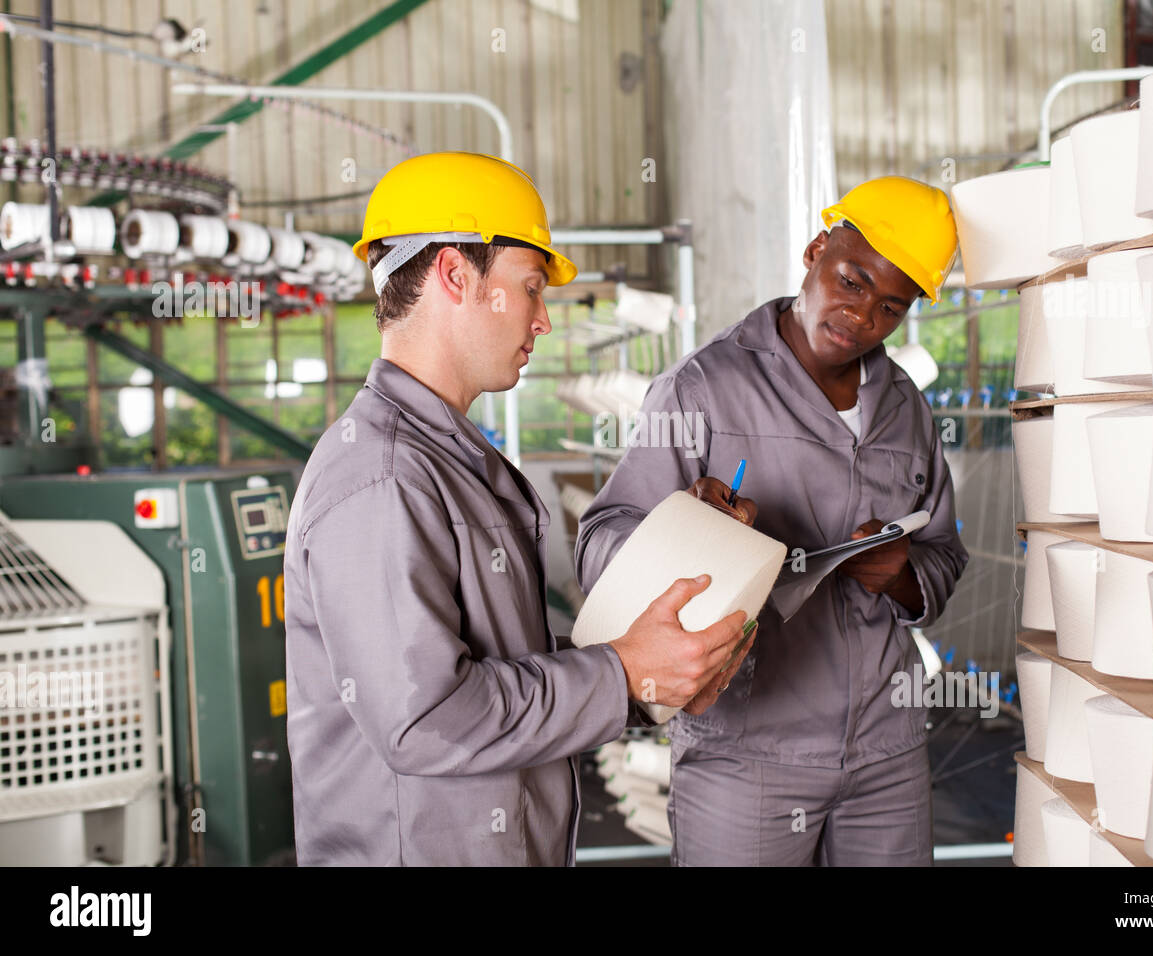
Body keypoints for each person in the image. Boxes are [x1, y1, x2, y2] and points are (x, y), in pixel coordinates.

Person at [283, 152, 751, 866]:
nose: (543, 321)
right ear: (453, 274)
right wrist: (621, 673)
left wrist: (648, 675)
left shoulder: (448, 458)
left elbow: (499, 668)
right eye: (531, 289)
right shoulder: (381, 477)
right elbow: (427, 720)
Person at [576, 176, 969, 866]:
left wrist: (900, 576)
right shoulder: (704, 386)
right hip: (748, 753)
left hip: (886, 750)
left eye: (889, 307)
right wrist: (688, 531)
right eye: (850, 280)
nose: (860, 315)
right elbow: (602, 539)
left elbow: (943, 552)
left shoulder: (904, 405)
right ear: (817, 250)